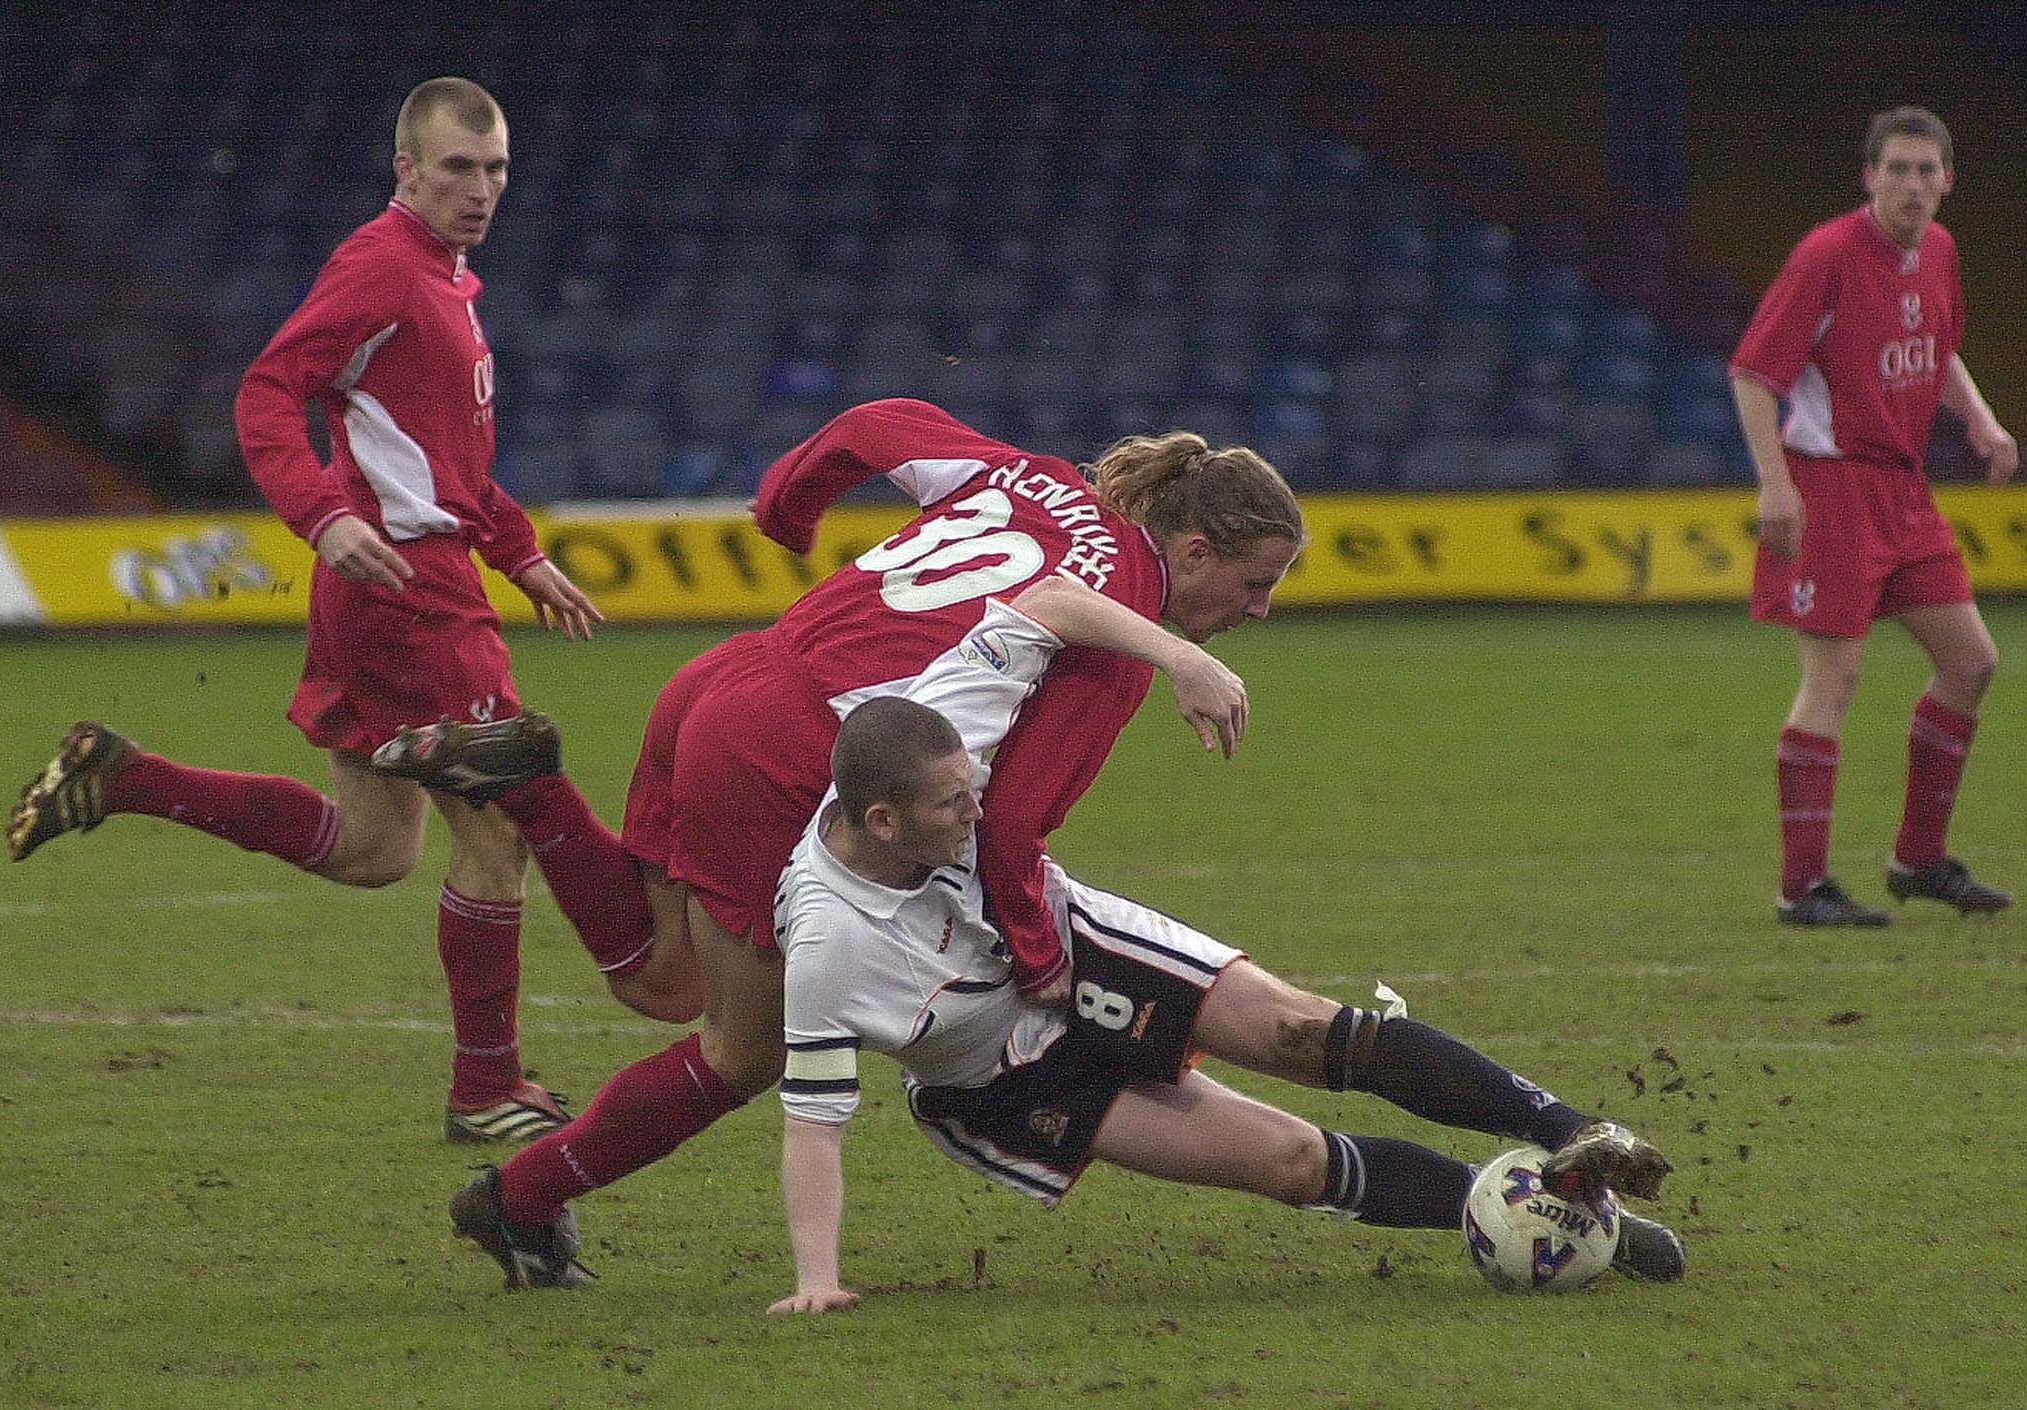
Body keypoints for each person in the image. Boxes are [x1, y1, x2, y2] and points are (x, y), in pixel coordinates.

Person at [401, 398, 1300, 1281]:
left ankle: (538, 799)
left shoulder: (1037, 478)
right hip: (793, 755)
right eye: (1254, 583)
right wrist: (1038, 960)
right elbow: (1011, 820)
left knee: (662, 962)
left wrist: (789, 505)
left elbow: (879, 422)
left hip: (729, 677)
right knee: (727, 1041)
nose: (1257, 609)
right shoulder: (1118, 629)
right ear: (1193, 552)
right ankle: (516, 1194)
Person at [4, 77, 696, 1147]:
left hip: (400, 584)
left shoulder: (448, 282)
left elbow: (450, 468)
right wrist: (321, 517)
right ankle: (485, 1088)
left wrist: (521, 556)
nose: (480, 188)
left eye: (496, 168)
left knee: (372, 849)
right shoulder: (380, 266)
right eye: (457, 168)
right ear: (406, 170)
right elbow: (266, 392)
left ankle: (123, 775)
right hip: (404, 590)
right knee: (501, 832)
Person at [766, 699, 1686, 1309]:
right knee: (1287, 1161)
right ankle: (1548, 1219)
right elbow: (813, 1126)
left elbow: (1053, 604)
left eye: (974, 791)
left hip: (1073, 941)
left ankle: (1575, 1133)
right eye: (950, 807)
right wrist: (818, 1281)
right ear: (880, 823)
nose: (977, 814)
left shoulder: (933, 737)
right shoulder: (828, 946)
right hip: (997, 1073)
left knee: (1304, 1029)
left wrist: (1178, 656)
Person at [1730, 105, 2017, 927]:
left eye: (1926, 172)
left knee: (1970, 663)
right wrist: (1774, 484)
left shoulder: (1939, 251)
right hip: (1829, 487)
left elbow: (1935, 343)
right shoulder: (1826, 255)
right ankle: (1801, 889)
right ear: (1869, 177)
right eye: (1896, 169)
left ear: (1947, 181)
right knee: (1834, 679)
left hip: (1903, 487)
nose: (1912, 186)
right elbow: (1753, 373)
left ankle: (1917, 859)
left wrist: (1978, 416)